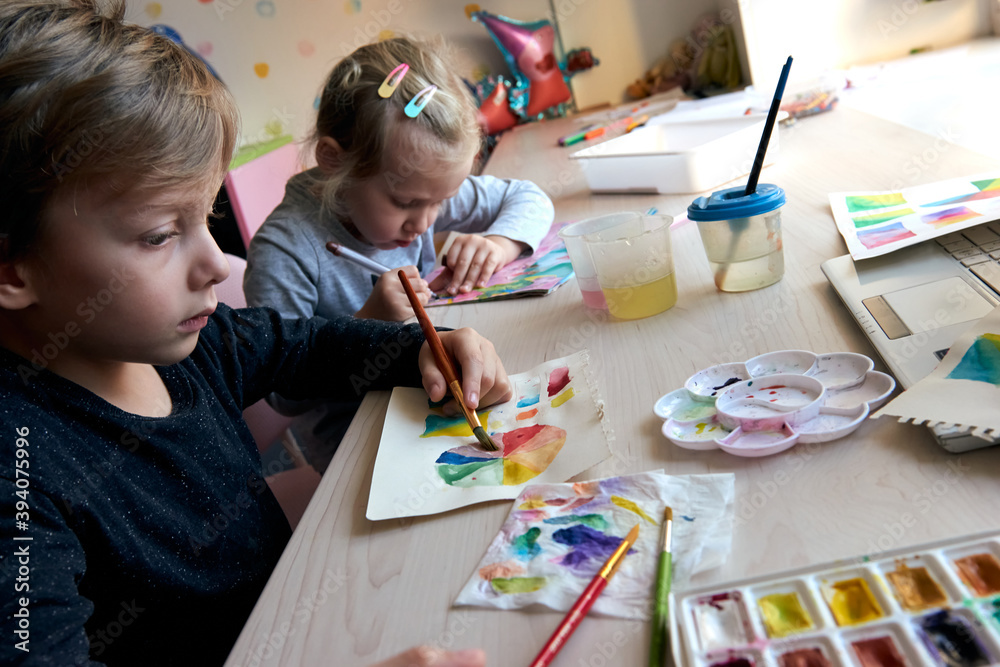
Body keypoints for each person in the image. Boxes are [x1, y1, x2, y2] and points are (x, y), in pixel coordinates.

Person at [0, 2, 499, 665]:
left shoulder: (190, 340)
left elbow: (302, 346)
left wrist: (422, 350)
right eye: (159, 235)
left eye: (205, 214)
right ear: (12, 270)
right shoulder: (22, 466)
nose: (215, 264)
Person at [242, 36, 554, 472]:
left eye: (440, 202)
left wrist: (498, 244)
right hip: (353, 437)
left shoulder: (418, 182)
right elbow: (282, 391)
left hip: (431, 386)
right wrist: (370, 321)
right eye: (406, 204)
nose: (425, 224)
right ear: (334, 162)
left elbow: (530, 198)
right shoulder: (285, 250)